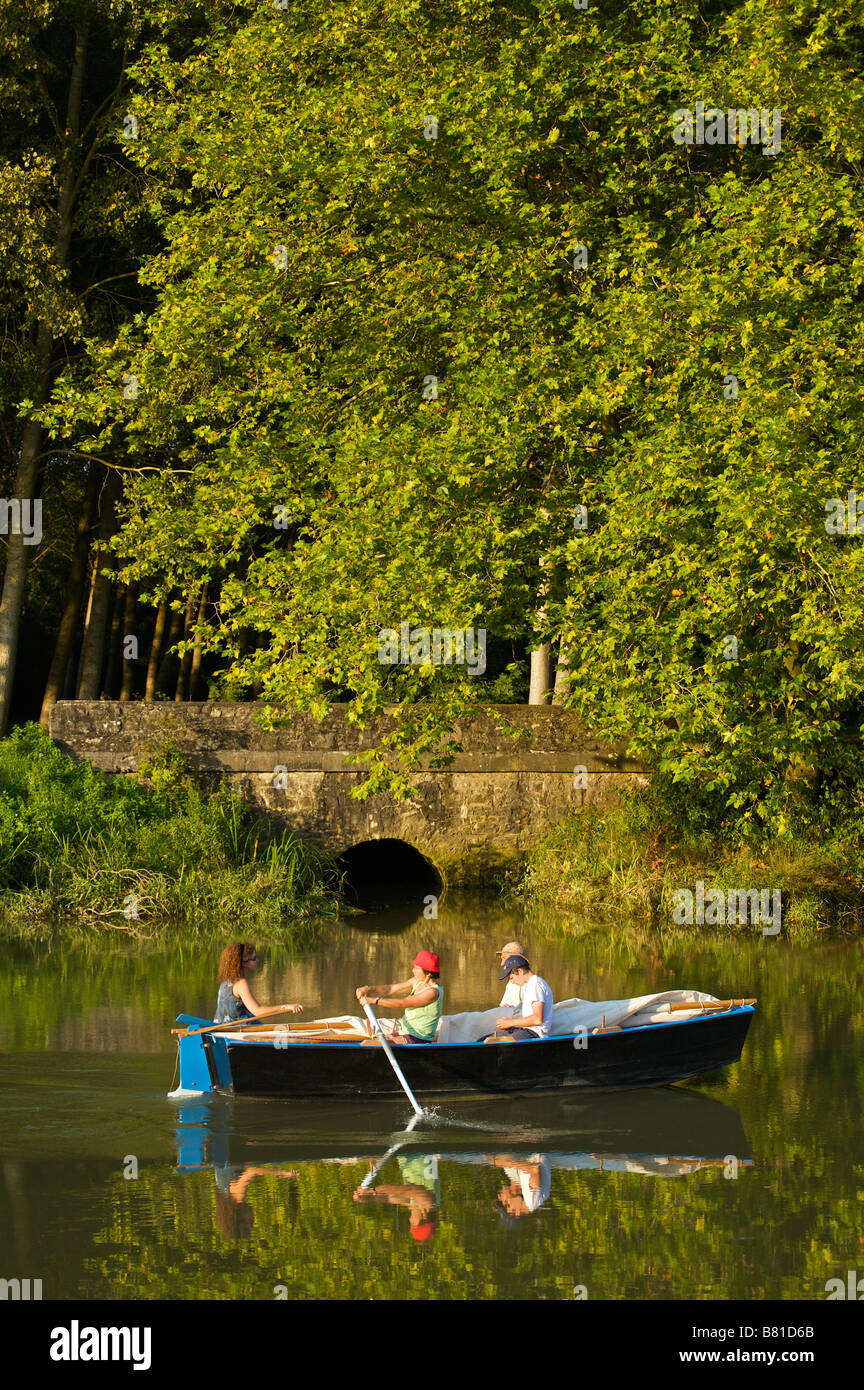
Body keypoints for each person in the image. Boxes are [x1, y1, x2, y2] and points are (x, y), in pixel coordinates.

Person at [355, 951, 443, 1044]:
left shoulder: (432, 992)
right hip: (404, 1032)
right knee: (379, 1040)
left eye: (416, 968)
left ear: (428, 973)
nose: (413, 970)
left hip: (419, 1037)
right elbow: (390, 989)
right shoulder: (416, 981)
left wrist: (373, 1000)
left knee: (383, 1044)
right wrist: (368, 988)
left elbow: (402, 1003)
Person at [353, 1153, 440, 1242]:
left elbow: (391, 1198)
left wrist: (369, 1197)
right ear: (424, 1218)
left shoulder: (418, 1205)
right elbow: (405, 1190)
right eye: (413, 1223)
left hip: (408, 1152)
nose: (410, 1219)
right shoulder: (429, 1203)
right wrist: (373, 1191)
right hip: (417, 1150)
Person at [214, 941, 304, 1024]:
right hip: (239, 1033)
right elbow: (257, 1011)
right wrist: (286, 1007)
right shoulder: (241, 983)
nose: (257, 961)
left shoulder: (226, 981)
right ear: (244, 963)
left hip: (223, 1028)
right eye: (254, 958)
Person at [494, 954, 553, 1039]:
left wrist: (510, 1022)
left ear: (520, 971)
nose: (512, 982)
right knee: (483, 1040)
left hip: (534, 1034)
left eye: (511, 978)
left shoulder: (535, 985)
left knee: (494, 1042)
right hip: (526, 1030)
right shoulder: (532, 984)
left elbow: (537, 1019)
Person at [495, 939, 527, 1016]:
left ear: (515, 960)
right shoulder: (511, 982)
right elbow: (502, 1006)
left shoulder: (528, 983)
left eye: (504, 958)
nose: (502, 964)